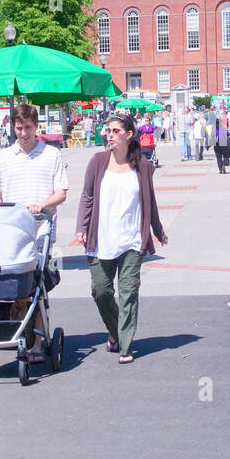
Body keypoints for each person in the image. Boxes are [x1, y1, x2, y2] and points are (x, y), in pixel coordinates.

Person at [75, 111, 168, 364]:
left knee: (128, 293)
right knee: (101, 291)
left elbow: (150, 202)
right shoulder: (97, 162)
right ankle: (115, 333)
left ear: (129, 135)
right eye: (108, 130)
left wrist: (158, 231)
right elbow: (87, 197)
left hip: (131, 241)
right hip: (101, 238)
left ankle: (125, 346)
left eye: (115, 131)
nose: (110, 134)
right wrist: (81, 227)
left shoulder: (144, 166)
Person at [0, 103, 69, 362]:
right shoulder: (4, 156)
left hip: (41, 228)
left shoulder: (51, 155)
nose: (23, 133)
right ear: (13, 127)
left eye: (28, 128)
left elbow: (62, 193)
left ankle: (37, 340)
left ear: (37, 127)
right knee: (14, 283)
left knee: (38, 283)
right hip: (12, 230)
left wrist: (43, 204)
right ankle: (17, 331)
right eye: (19, 128)